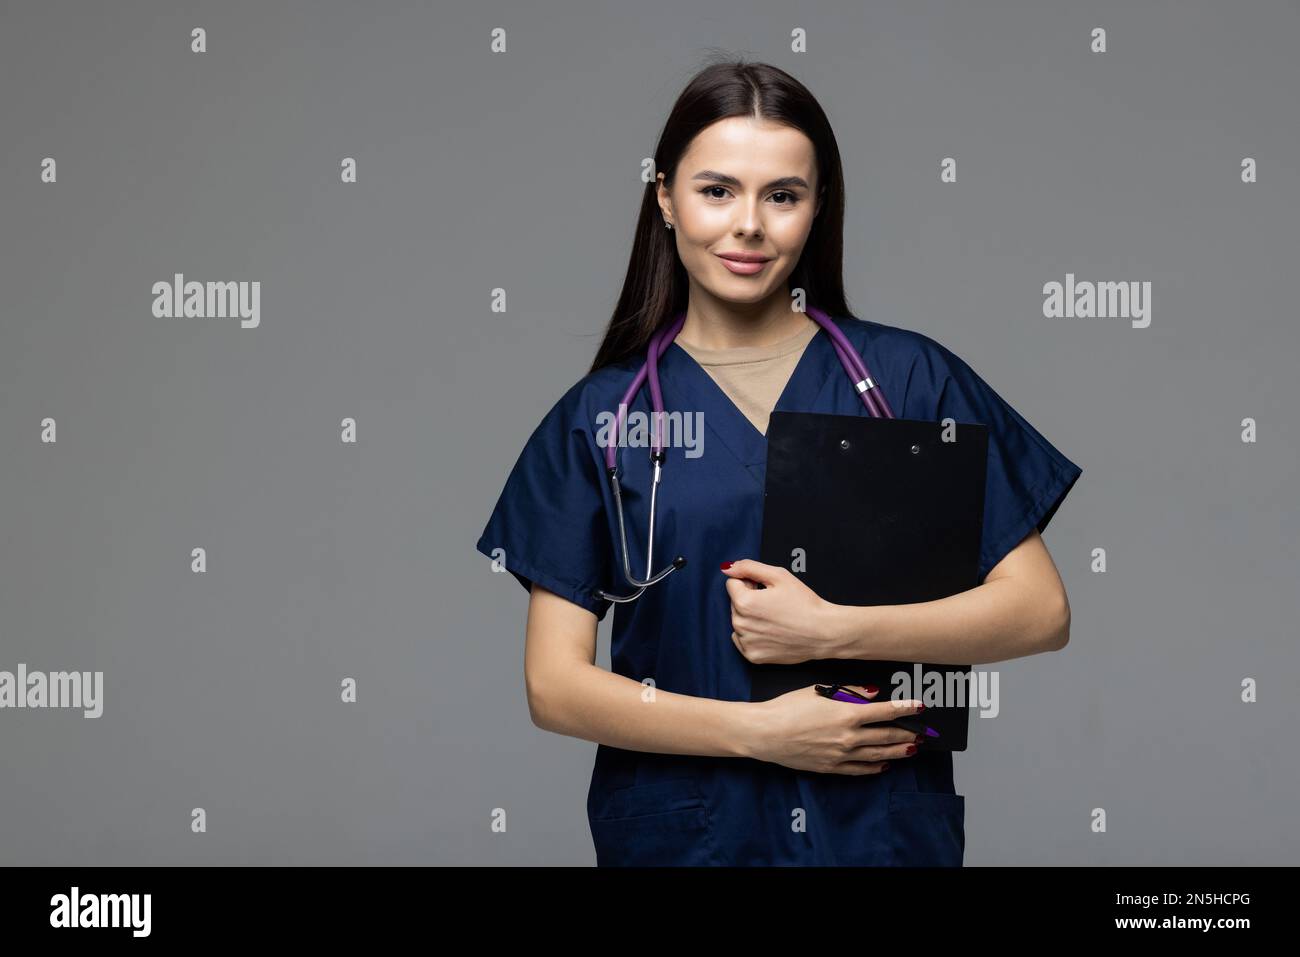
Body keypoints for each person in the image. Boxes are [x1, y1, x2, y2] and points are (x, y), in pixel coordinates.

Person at [474, 59, 1081, 866]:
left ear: (816, 207)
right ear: (664, 197)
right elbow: (554, 685)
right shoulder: (604, 418)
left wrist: (832, 629)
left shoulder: (907, 381)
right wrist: (760, 733)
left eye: (782, 195)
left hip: (877, 831)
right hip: (689, 835)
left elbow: (1040, 611)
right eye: (717, 190)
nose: (749, 225)